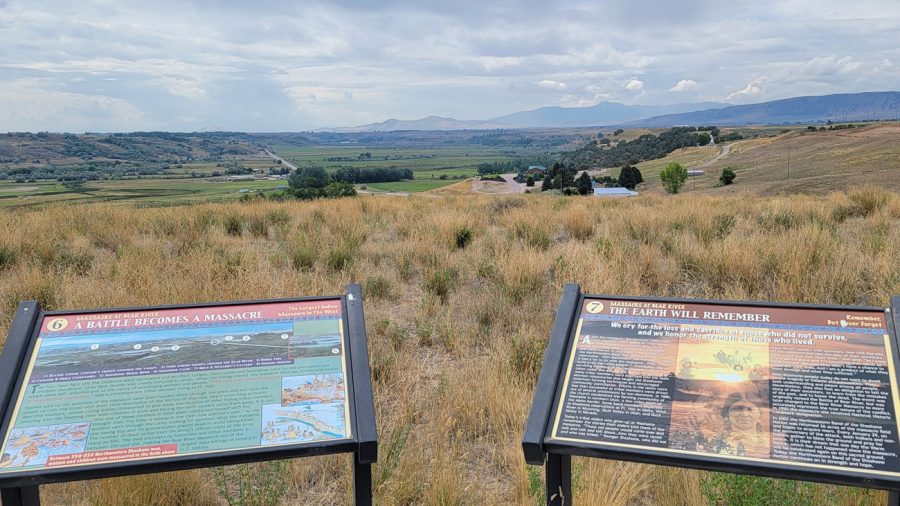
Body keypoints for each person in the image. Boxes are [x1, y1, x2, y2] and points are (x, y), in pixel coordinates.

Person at [713, 393, 768, 458]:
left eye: (750, 409)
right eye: (737, 409)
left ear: (759, 414)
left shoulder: (769, 443)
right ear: (727, 414)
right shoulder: (715, 442)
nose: (744, 414)